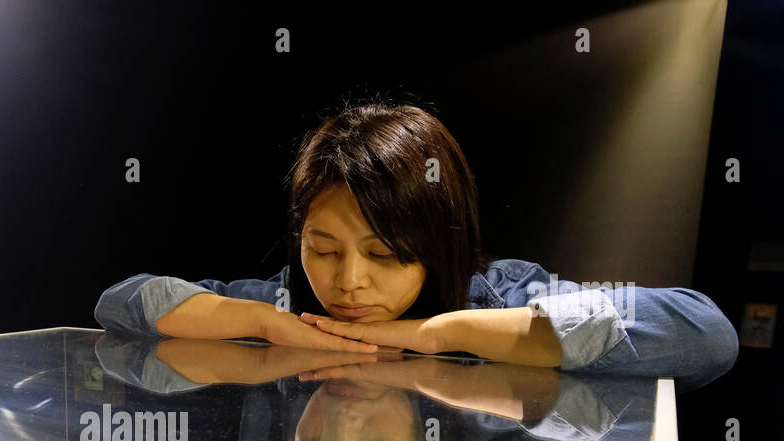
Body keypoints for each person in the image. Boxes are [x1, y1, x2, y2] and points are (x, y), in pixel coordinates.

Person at [94, 99, 738, 392]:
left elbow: (705, 334)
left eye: (385, 254)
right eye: (323, 248)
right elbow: (121, 303)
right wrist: (267, 319)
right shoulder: (291, 304)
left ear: (439, 240)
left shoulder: (501, 294)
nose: (348, 283)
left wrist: (443, 333)